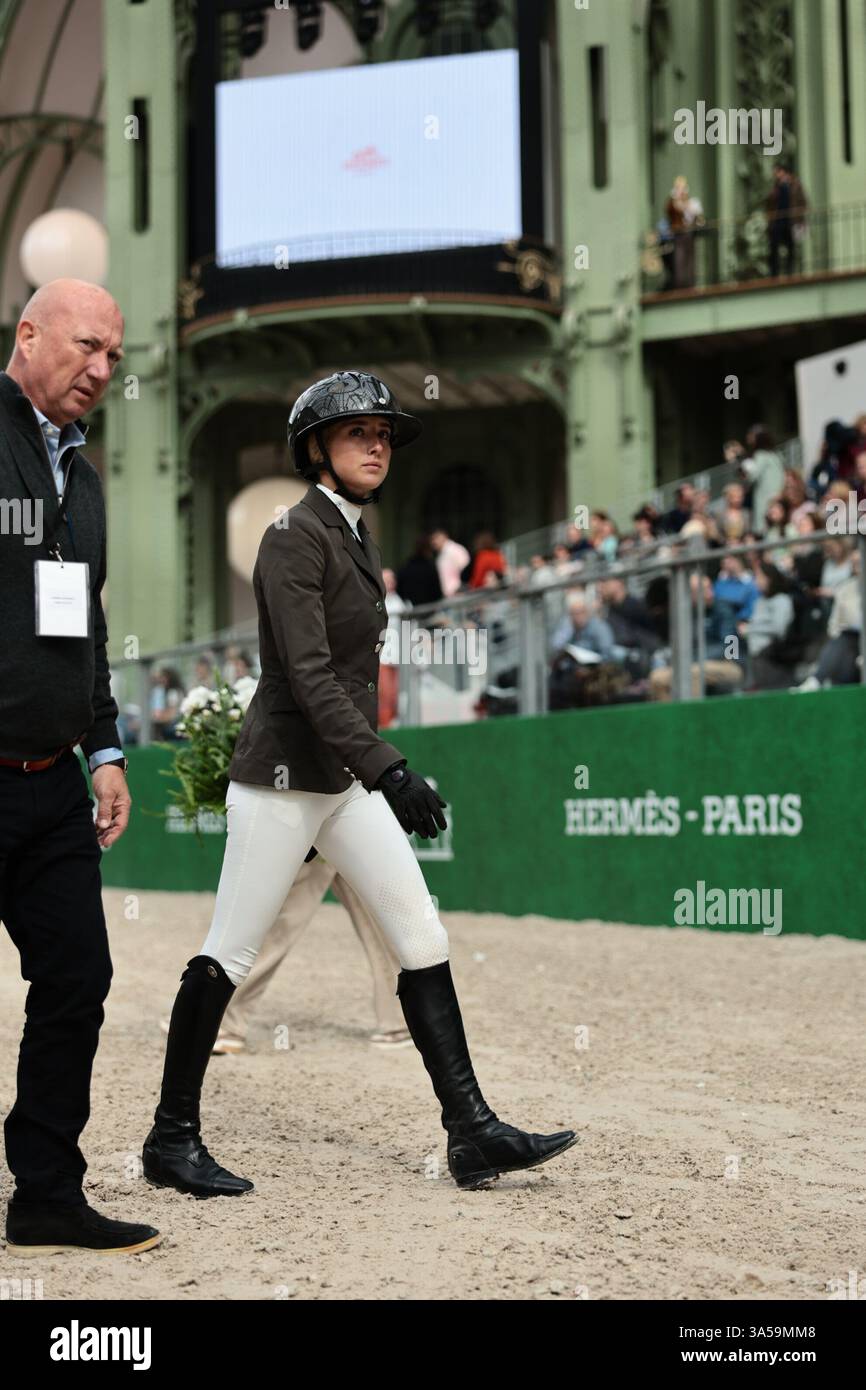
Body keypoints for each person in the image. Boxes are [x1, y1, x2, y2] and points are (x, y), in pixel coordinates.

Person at [141, 370, 576, 1197]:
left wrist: (370, 768)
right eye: (356, 433)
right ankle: (171, 1140)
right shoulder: (291, 535)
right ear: (316, 449)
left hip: (338, 779)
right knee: (228, 952)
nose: (377, 444)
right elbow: (307, 677)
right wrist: (389, 766)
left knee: (422, 935)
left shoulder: (352, 534)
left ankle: (471, 1132)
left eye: (384, 434)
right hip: (280, 781)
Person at [0, 279, 159, 1256]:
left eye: (113, 357)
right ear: (28, 333)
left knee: (77, 977)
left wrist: (104, 747)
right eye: (86, 347)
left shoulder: (86, 484)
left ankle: (47, 1192)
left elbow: (82, 628)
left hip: (54, 782)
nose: (101, 371)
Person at [766, 162, 808, 277]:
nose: (776, 175)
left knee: (791, 247)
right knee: (774, 246)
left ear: (784, 172)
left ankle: (790, 271)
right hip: (778, 221)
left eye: (778, 172)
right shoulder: (776, 187)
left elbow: (803, 202)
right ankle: (774, 272)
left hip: (790, 221)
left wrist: (798, 217)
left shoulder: (795, 185)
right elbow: (769, 203)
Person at [429, 526, 470, 598]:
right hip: (447, 596)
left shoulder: (456, 550)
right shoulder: (440, 554)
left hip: (459, 594)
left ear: (444, 536)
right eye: (432, 539)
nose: (434, 542)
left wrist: (460, 589)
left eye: (436, 538)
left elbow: (466, 571)